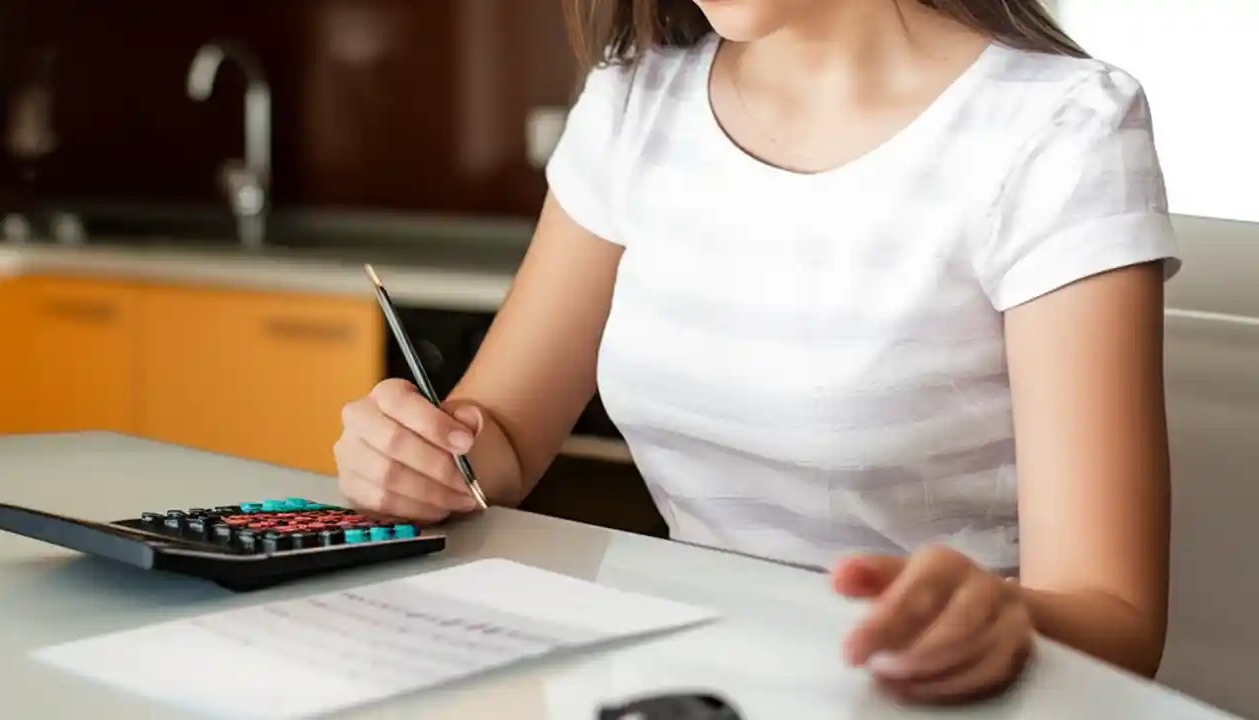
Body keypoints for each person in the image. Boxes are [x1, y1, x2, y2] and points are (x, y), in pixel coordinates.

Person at [335, 0, 1180, 704]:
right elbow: (502, 444)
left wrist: (1002, 619)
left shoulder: (1061, 129)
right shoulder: (636, 103)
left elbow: (1114, 617)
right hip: (689, 688)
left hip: (938, 703)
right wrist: (418, 455)